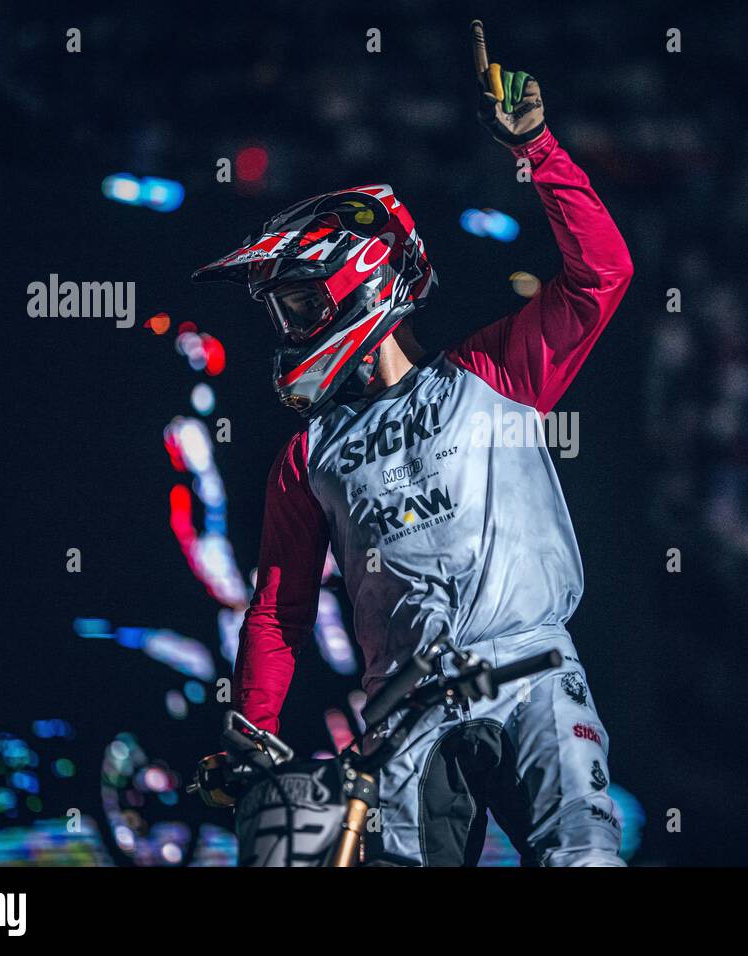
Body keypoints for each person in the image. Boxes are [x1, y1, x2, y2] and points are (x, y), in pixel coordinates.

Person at [192, 21, 633, 866]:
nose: (285, 329)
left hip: (531, 677)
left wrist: (538, 149)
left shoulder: (491, 374)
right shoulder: (307, 454)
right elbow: (279, 606)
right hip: (403, 714)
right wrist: (251, 727)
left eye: (295, 304)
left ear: (354, 285)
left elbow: (602, 275)